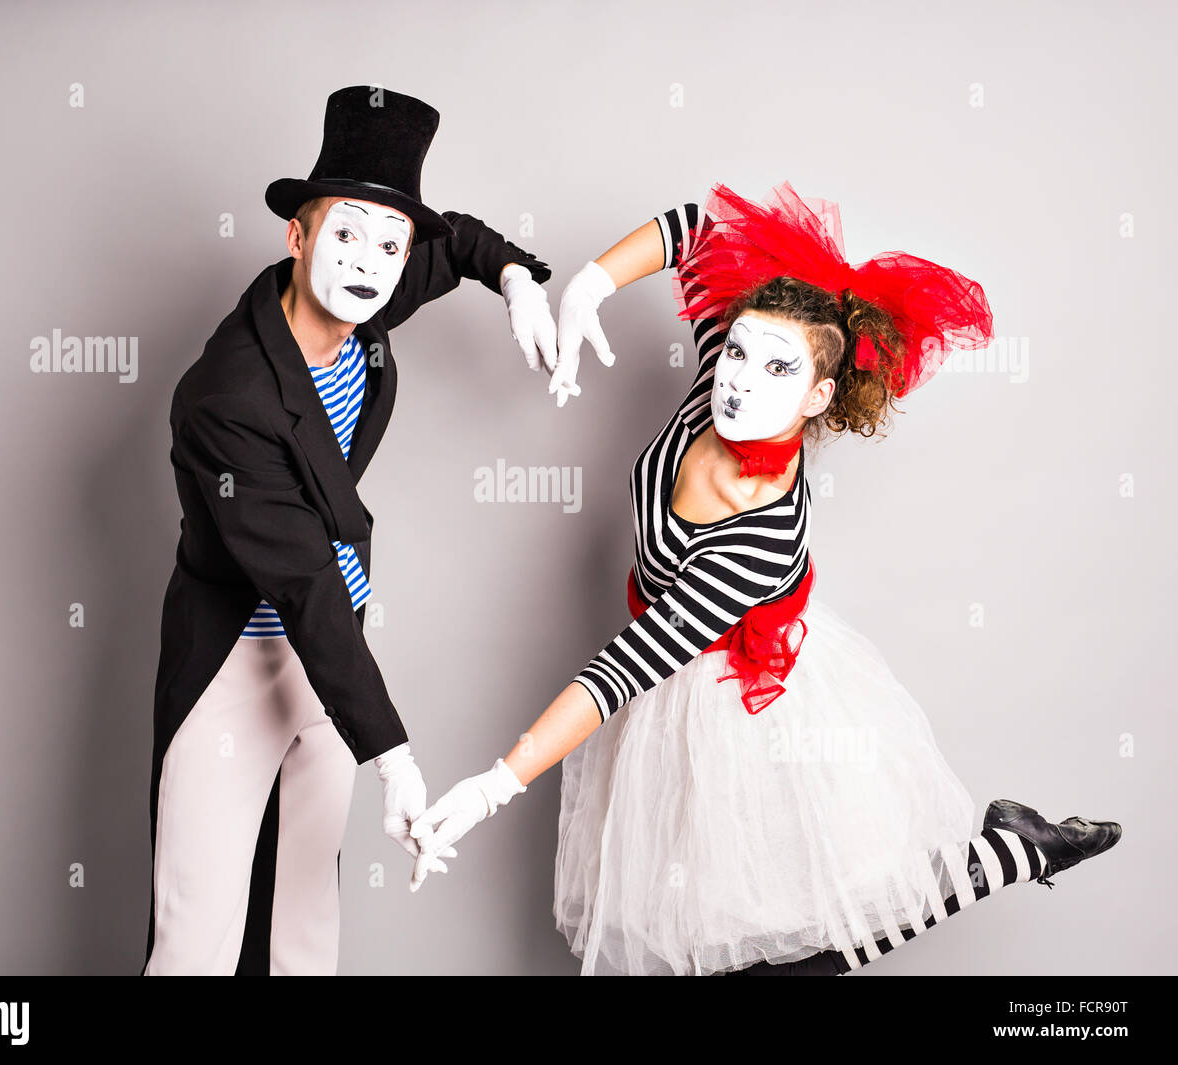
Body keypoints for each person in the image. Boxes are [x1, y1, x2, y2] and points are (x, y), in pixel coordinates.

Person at [408, 181, 1122, 976]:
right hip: (671, 684)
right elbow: (700, 227)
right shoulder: (725, 381)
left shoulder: (760, 537)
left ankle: (1010, 854)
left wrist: (495, 784)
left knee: (812, 921)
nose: (740, 380)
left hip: (741, 694)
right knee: (729, 947)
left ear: (818, 394)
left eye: (777, 368)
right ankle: (1016, 849)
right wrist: (590, 286)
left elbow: (621, 670)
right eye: (739, 351)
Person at [142, 85, 554, 975]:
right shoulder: (226, 398)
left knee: (305, 927)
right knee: (196, 941)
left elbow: (465, 240)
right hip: (240, 658)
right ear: (298, 236)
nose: (369, 263)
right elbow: (303, 585)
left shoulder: (372, 289)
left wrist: (517, 279)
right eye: (345, 234)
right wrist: (397, 762)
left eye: (390, 242)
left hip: (333, 658)